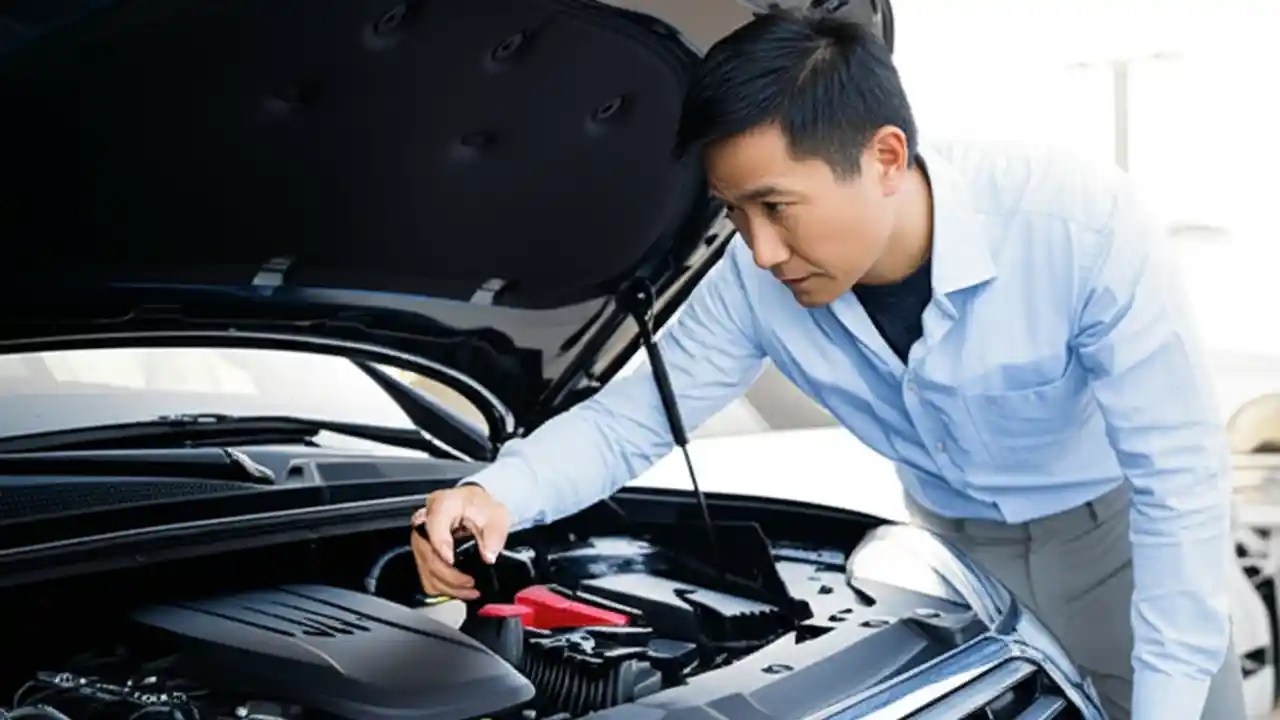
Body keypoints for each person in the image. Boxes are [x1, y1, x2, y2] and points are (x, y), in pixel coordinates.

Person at [409, 8, 1245, 719]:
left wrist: (1170, 699)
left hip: (1121, 547)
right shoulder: (750, 278)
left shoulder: (1077, 228)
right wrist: (496, 492)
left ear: (884, 157)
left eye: (777, 206)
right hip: (961, 564)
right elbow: (632, 419)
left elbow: (1178, 481)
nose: (761, 250)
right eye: (735, 212)